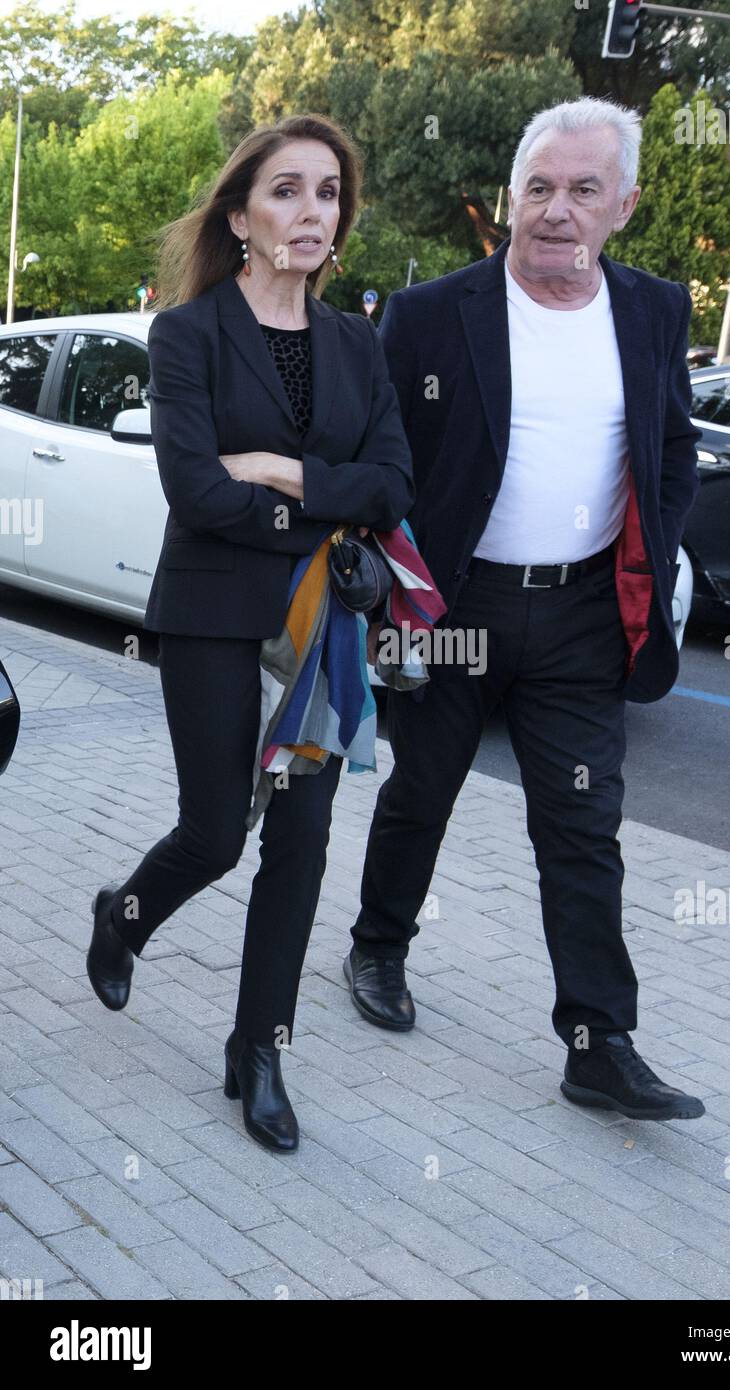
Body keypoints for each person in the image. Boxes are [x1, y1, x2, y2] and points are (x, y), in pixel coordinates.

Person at [346, 97, 706, 1123]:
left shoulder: (652, 310)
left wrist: (655, 541)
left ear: (622, 205)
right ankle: (377, 948)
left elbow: (670, 444)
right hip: (457, 606)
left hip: (586, 613)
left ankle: (597, 1041)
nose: (554, 210)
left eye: (581, 189)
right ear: (511, 198)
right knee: (423, 790)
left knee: (584, 825)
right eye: (536, 188)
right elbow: (379, 455)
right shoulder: (430, 314)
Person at [85, 114, 413, 1152]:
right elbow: (191, 489)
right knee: (219, 832)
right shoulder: (188, 335)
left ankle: (257, 1050)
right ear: (240, 216)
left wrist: (274, 470)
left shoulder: (360, 341)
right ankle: (123, 916)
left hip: (323, 625)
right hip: (211, 613)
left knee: (303, 846)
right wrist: (324, 496)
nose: (309, 209)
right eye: (285, 190)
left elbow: (396, 487)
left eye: (325, 192)